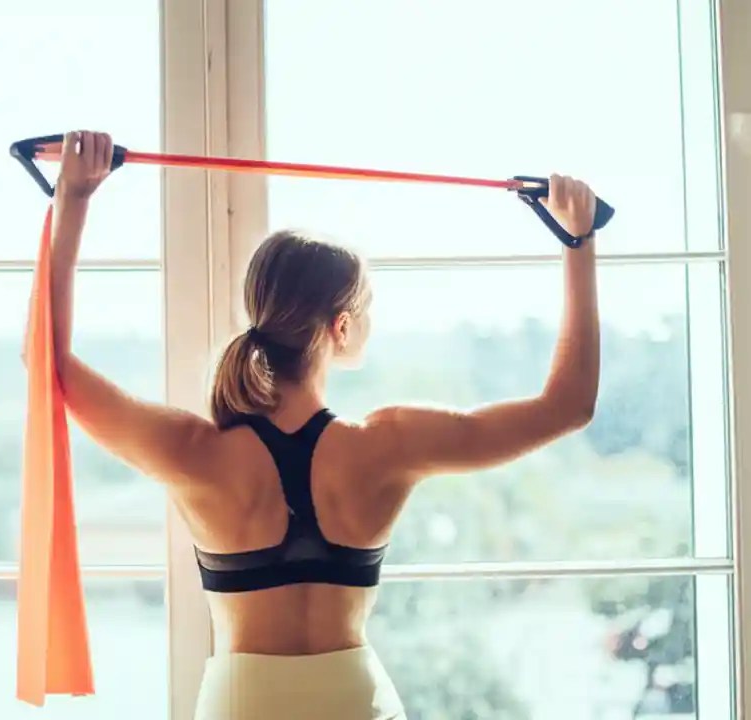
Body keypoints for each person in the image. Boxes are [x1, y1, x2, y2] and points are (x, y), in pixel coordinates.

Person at [43, 131, 600, 720]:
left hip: (242, 705)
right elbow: (568, 406)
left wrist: (73, 199)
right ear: (340, 327)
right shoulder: (389, 446)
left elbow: (48, 364)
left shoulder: (193, 451)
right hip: (354, 701)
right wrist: (578, 241)